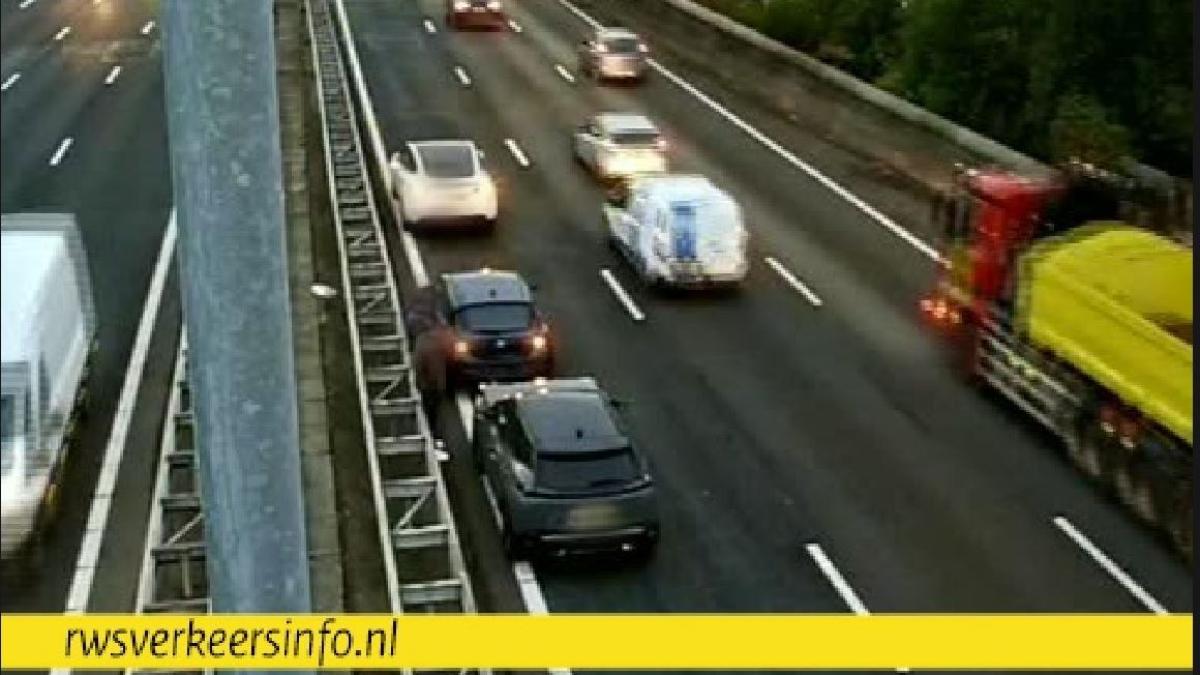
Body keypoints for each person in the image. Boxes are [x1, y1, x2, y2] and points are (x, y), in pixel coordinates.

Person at [405, 286, 448, 439]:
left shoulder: (424, 342)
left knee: (430, 410)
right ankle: (432, 433)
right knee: (432, 411)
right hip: (431, 385)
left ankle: (430, 431)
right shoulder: (434, 341)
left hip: (428, 384)